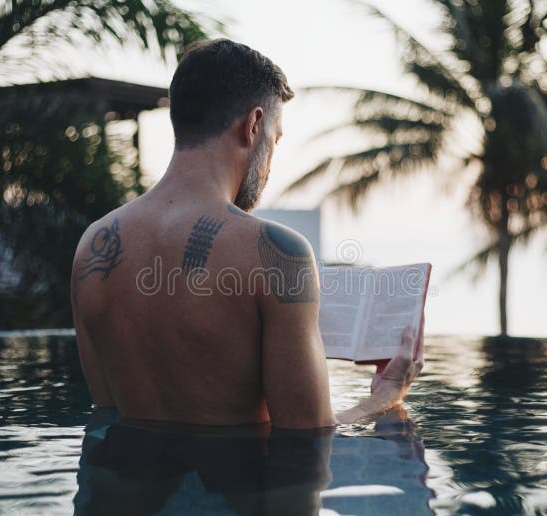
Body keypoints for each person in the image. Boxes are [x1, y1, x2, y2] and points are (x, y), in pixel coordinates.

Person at [70, 38, 423, 429]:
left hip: (127, 470)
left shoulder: (93, 248)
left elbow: (106, 416)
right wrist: (386, 395)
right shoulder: (277, 252)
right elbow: (309, 436)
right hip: (237, 471)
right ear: (254, 125)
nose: (271, 159)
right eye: (275, 138)